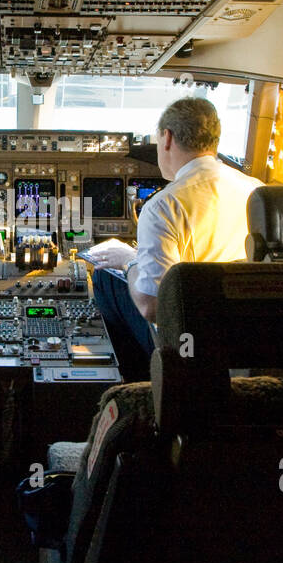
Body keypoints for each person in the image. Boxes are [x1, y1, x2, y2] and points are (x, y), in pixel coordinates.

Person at [90, 96, 261, 381]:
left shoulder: (164, 206)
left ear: (167, 138)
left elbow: (152, 307)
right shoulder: (256, 190)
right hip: (242, 339)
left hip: (186, 346)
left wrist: (130, 262)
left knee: (106, 277)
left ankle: (139, 382)